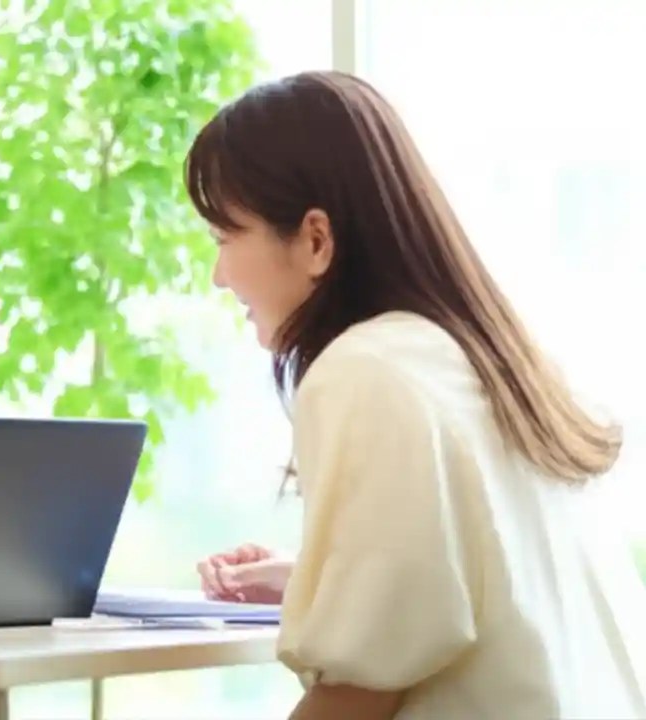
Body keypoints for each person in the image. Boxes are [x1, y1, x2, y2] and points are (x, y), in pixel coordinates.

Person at [184, 70, 646, 719]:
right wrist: (320, 582)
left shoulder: (365, 370)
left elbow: (359, 692)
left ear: (316, 240)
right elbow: (490, 586)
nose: (218, 275)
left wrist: (345, 612)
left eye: (224, 237)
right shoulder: (492, 364)